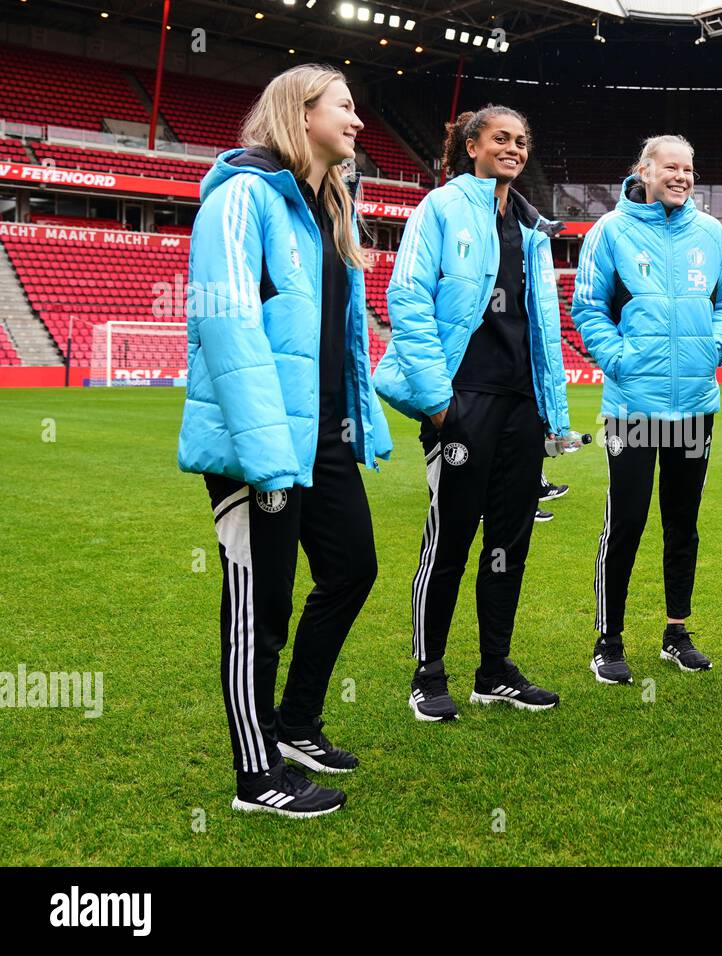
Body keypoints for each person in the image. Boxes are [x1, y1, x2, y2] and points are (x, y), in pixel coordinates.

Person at [177, 64, 393, 818]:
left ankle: (295, 723)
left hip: (321, 438)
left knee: (353, 569)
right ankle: (255, 774)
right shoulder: (241, 197)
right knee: (259, 608)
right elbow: (227, 327)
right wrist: (268, 458)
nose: (358, 122)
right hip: (257, 444)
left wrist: (357, 424)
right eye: (344, 107)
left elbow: (336, 340)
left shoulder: (326, 206)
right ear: (299, 114)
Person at [373, 104, 570, 719]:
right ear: (471, 146)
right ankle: (428, 671)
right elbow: (406, 296)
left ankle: (495, 669)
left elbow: (541, 329)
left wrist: (551, 415)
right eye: (500, 139)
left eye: (521, 139)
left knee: (508, 541)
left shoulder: (533, 228)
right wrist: (437, 403)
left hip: (520, 408)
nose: (512, 148)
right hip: (463, 402)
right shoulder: (440, 208)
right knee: (451, 539)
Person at [573, 134, 722, 685]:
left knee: (683, 524)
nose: (682, 176)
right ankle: (609, 639)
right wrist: (620, 359)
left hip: (696, 403)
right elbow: (587, 307)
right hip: (633, 407)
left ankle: (676, 633)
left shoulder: (710, 233)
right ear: (643, 170)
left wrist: (716, 346)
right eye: (671, 167)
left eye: (689, 168)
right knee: (626, 523)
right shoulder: (609, 232)